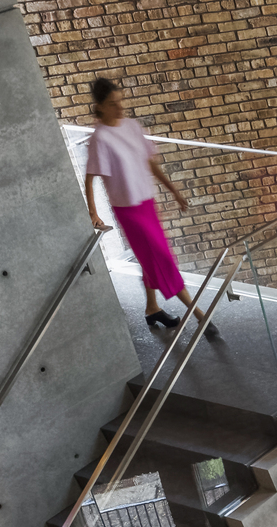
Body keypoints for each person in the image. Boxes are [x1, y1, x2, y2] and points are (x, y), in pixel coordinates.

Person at [84, 78, 220, 340]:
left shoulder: (132, 126)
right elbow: (91, 176)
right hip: (128, 210)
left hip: (147, 202)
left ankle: (152, 307)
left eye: (120, 101)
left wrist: (174, 191)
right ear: (100, 107)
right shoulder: (99, 138)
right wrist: (93, 212)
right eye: (113, 104)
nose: (120, 108)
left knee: (152, 257)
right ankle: (201, 317)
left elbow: (149, 161)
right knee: (162, 258)